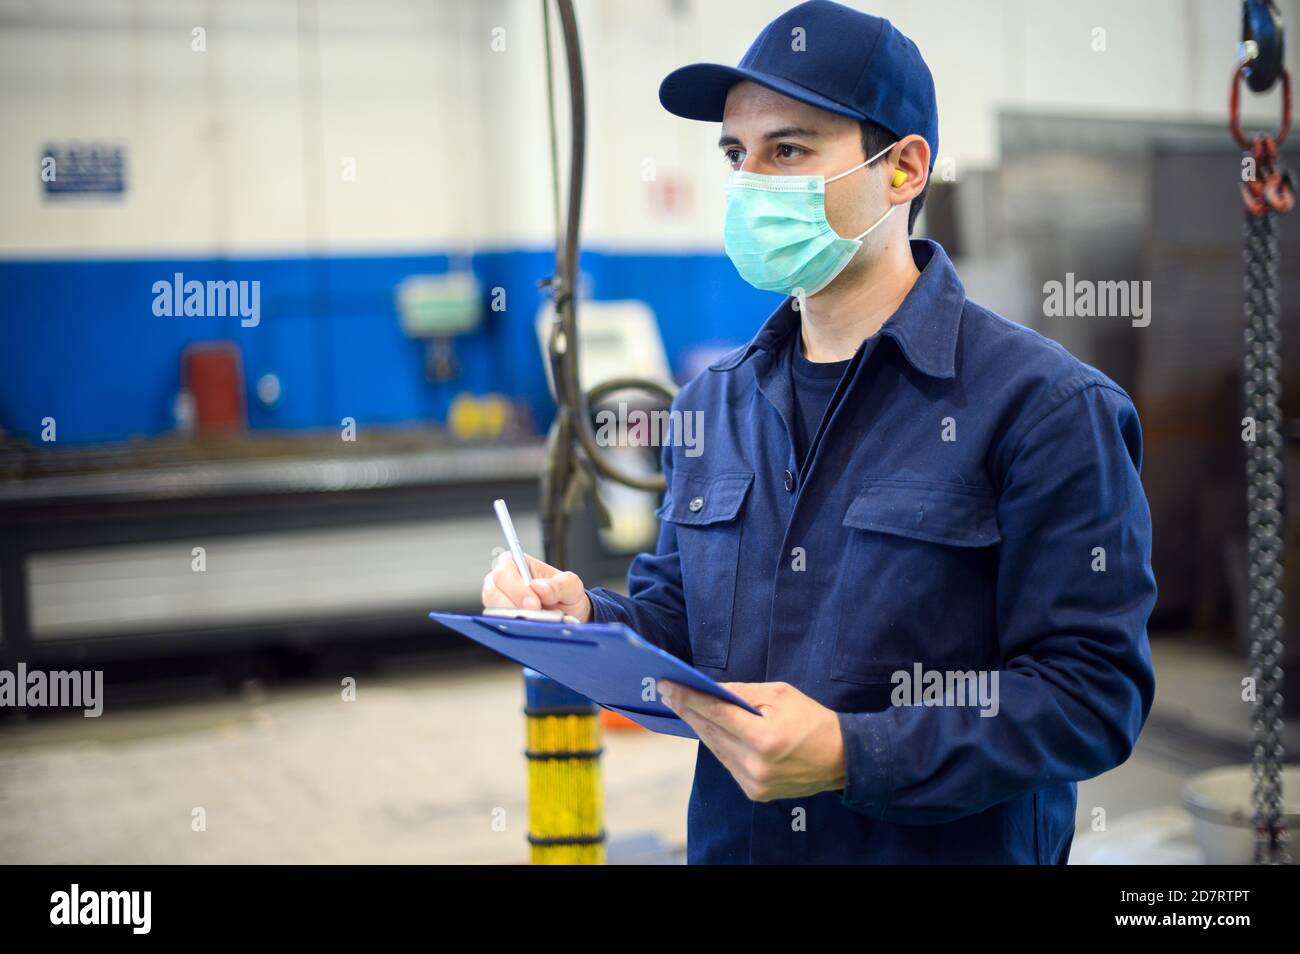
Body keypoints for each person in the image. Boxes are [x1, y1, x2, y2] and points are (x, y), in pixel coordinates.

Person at [483, 0, 1156, 864]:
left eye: (788, 150)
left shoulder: (1046, 409)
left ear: (905, 168)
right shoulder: (710, 405)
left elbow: (1090, 695)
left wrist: (853, 753)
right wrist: (586, 613)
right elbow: (682, 618)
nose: (750, 182)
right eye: (736, 154)